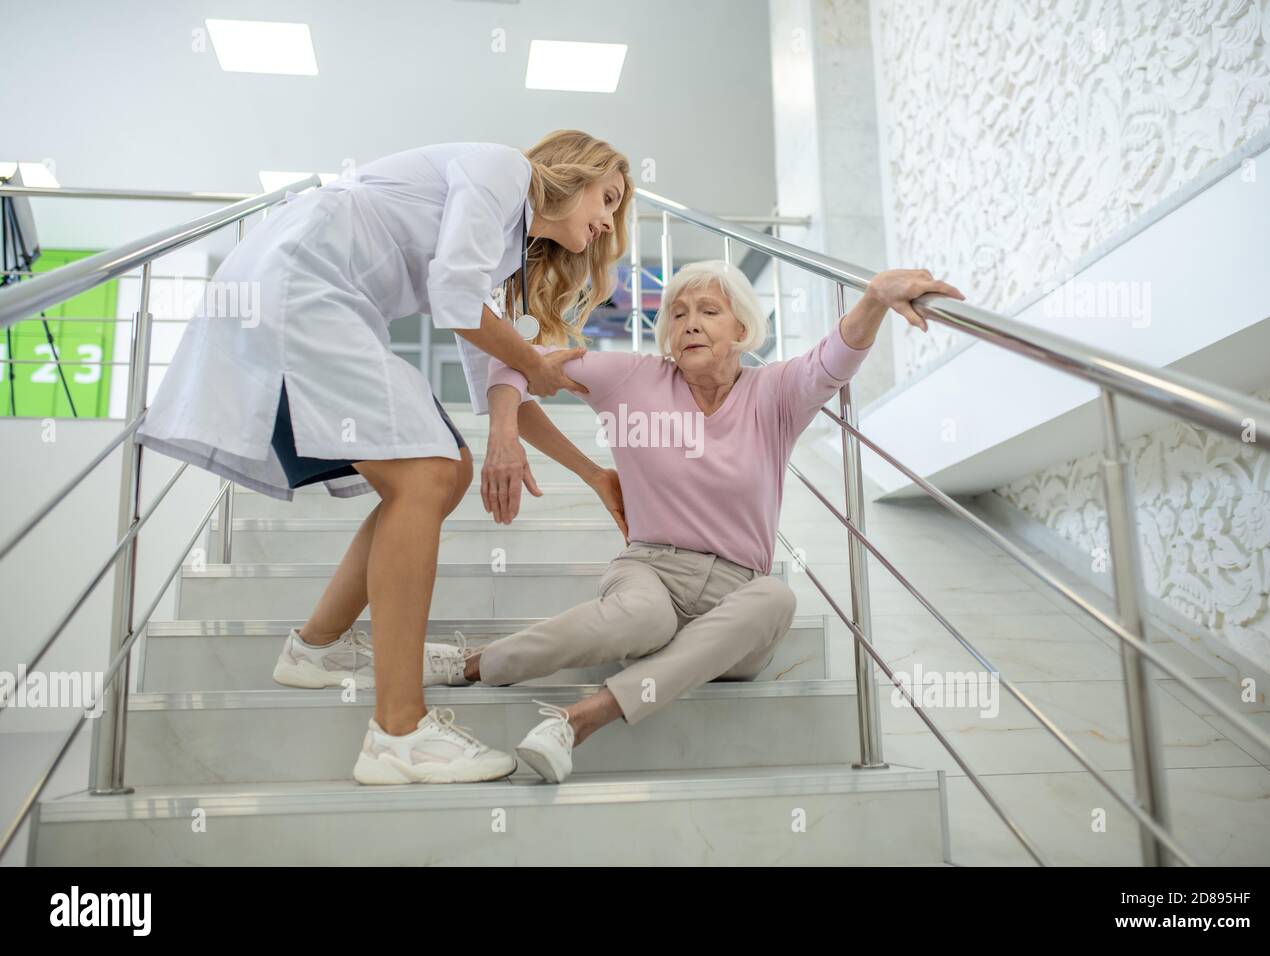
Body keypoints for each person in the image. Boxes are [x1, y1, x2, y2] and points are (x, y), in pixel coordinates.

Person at [135, 130, 634, 784]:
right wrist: (531, 361)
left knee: (445, 470)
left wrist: (593, 473)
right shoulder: (504, 171)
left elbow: (493, 372)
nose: (608, 222)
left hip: (318, 290)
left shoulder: (501, 245)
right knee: (428, 471)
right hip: (301, 278)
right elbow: (464, 309)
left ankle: (318, 646)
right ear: (576, 171)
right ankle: (399, 732)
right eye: (609, 197)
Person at [423, 260, 964, 782]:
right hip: (650, 570)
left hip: (737, 596)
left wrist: (873, 299)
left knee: (778, 598)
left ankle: (577, 719)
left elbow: (834, 358)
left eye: (708, 310)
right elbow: (513, 361)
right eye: (677, 315)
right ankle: (474, 665)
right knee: (646, 618)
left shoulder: (774, 394)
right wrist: (506, 435)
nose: (690, 324)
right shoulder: (631, 379)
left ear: (744, 327)